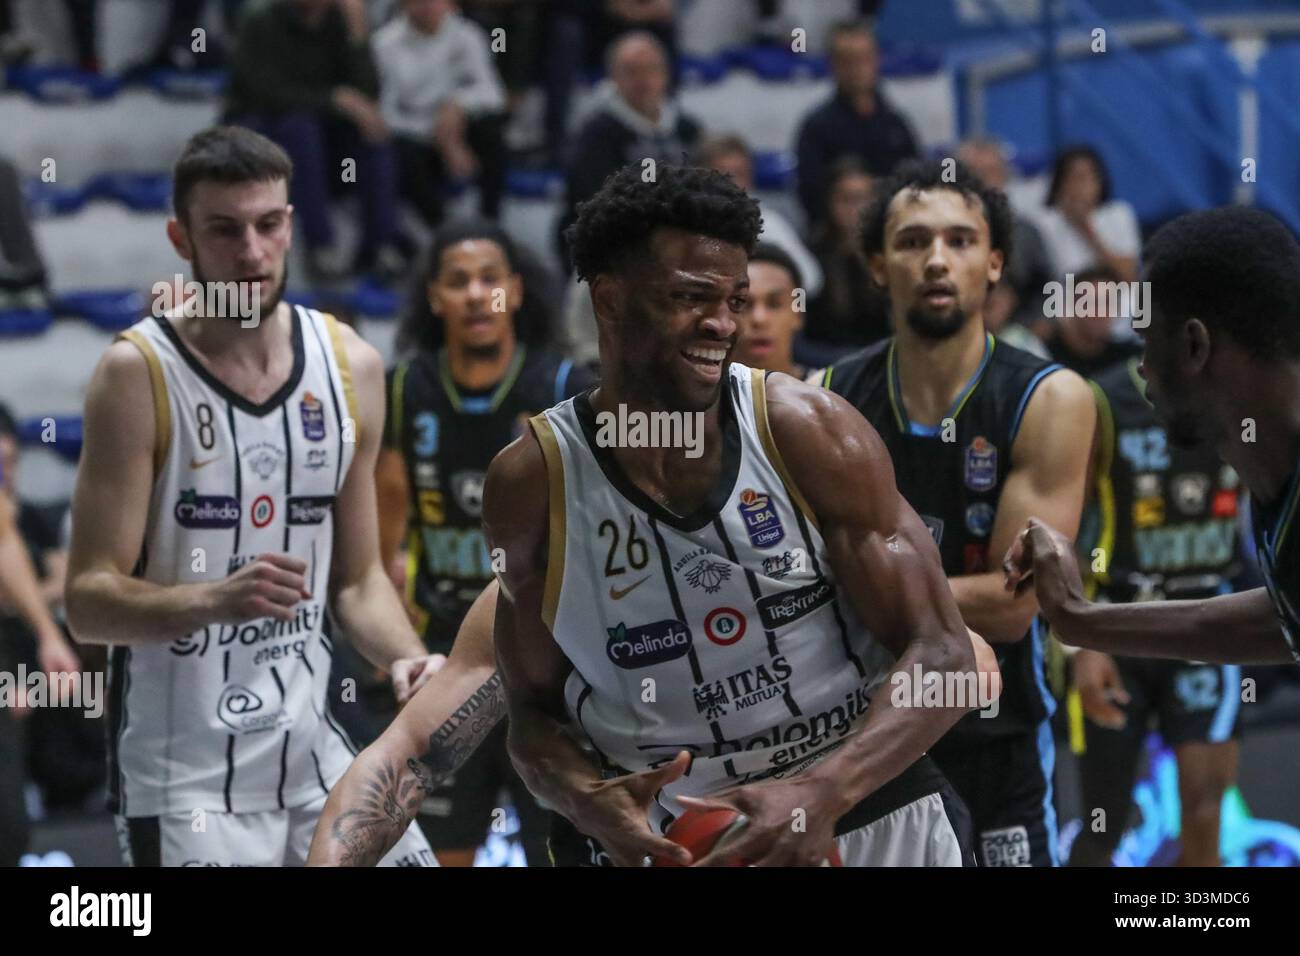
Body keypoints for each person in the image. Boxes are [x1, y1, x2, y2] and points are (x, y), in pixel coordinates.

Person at [488, 163, 999, 867]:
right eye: (691, 298)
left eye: (733, 299)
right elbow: (532, 716)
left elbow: (943, 654)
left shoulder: (809, 431)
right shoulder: (530, 484)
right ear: (609, 299)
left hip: (863, 808)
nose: (723, 324)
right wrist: (582, 800)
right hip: (671, 841)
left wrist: (822, 791)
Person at [63, 126, 441, 867]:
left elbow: (359, 580)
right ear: (183, 239)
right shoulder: (135, 376)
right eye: (225, 229)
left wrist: (405, 657)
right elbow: (86, 601)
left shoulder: (352, 366)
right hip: (184, 781)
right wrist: (209, 599)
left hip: (318, 760)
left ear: (291, 224)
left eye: (269, 225)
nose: (252, 251)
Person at [814, 158, 1096, 865]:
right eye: (912, 242)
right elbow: (809, 586)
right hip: (872, 738)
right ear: (877, 264)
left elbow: (1013, 606)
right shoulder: (826, 398)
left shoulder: (1053, 398)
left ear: (995, 263)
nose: (937, 260)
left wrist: (866, 586)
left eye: (960, 241)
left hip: (998, 736)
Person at [374, 221, 595, 865]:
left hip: (546, 671)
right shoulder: (402, 387)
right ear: (434, 298)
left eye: (490, 278)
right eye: (457, 281)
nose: (476, 294)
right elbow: (387, 549)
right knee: (446, 853)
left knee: (561, 852)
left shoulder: (562, 386)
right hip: (448, 663)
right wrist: (403, 655)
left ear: (517, 292)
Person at [1004, 205, 1300, 667]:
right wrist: (1078, 620)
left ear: (1194, 345)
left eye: (1146, 339)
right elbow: (1280, 620)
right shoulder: (1276, 462)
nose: (1141, 366)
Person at [1068, 354, 1244, 866]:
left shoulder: (1245, 389)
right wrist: (1081, 640)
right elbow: (1063, 521)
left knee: (1205, 807)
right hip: (1117, 623)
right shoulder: (1099, 398)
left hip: (1211, 620)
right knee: (1104, 822)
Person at [224, 0, 406, 281]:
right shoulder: (260, 19)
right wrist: (334, 99)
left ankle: (380, 244)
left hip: (325, 138)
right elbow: (264, 93)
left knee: (373, 135)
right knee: (300, 128)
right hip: (261, 133)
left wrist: (358, 34)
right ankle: (320, 244)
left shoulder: (341, 22)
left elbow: (368, 92)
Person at [556, 31, 701, 265]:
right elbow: (593, 204)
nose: (643, 80)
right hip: (612, 244)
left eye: (651, 69)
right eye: (632, 71)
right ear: (614, 77)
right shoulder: (596, 134)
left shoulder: (687, 129)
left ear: (665, 74)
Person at [374, 0, 509, 227]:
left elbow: (493, 94)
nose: (427, 6)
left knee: (492, 135)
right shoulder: (385, 44)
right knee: (398, 154)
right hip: (413, 131)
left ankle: (491, 223)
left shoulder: (468, 35)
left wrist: (457, 106)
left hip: (458, 125)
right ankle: (442, 229)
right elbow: (385, 113)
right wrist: (441, 136)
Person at [795, 20, 918, 231]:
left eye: (864, 59)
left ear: (876, 60)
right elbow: (811, 196)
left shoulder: (897, 124)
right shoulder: (816, 128)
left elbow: (915, 183)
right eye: (848, 60)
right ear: (833, 64)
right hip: (836, 245)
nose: (857, 68)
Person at [695, 135, 822, 298]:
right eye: (723, 174)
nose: (732, 183)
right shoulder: (687, 226)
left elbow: (810, 280)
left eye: (739, 174)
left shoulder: (769, 222)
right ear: (702, 178)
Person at [803, 158, 891, 365]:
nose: (856, 210)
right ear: (830, 203)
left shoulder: (888, 253)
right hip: (825, 362)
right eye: (847, 199)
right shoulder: (810, 256)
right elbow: (799, 333)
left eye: (863, 199)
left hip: (880, 361)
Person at [1034, 145, 1140, 284]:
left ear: (1100, 182)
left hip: (1115, 296)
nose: (1079, 187)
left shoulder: (1118, 213)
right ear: (1059, 183)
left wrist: (1085, 230)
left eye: (1086, 178)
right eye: (1073, 178)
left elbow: (1129, 276)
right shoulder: (1044, 222)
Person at [1041, 267, 1140, 378]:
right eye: (1088, 302)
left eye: (1107, 302)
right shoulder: (1044, 355)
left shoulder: (1130, 359)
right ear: (1072, 303)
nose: (1099, 311)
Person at [731, 243, 805, 380]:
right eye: (744, 304)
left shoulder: (834, 389)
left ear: (798, 314)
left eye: (774, 304)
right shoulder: (697, 396)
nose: (759, 319)